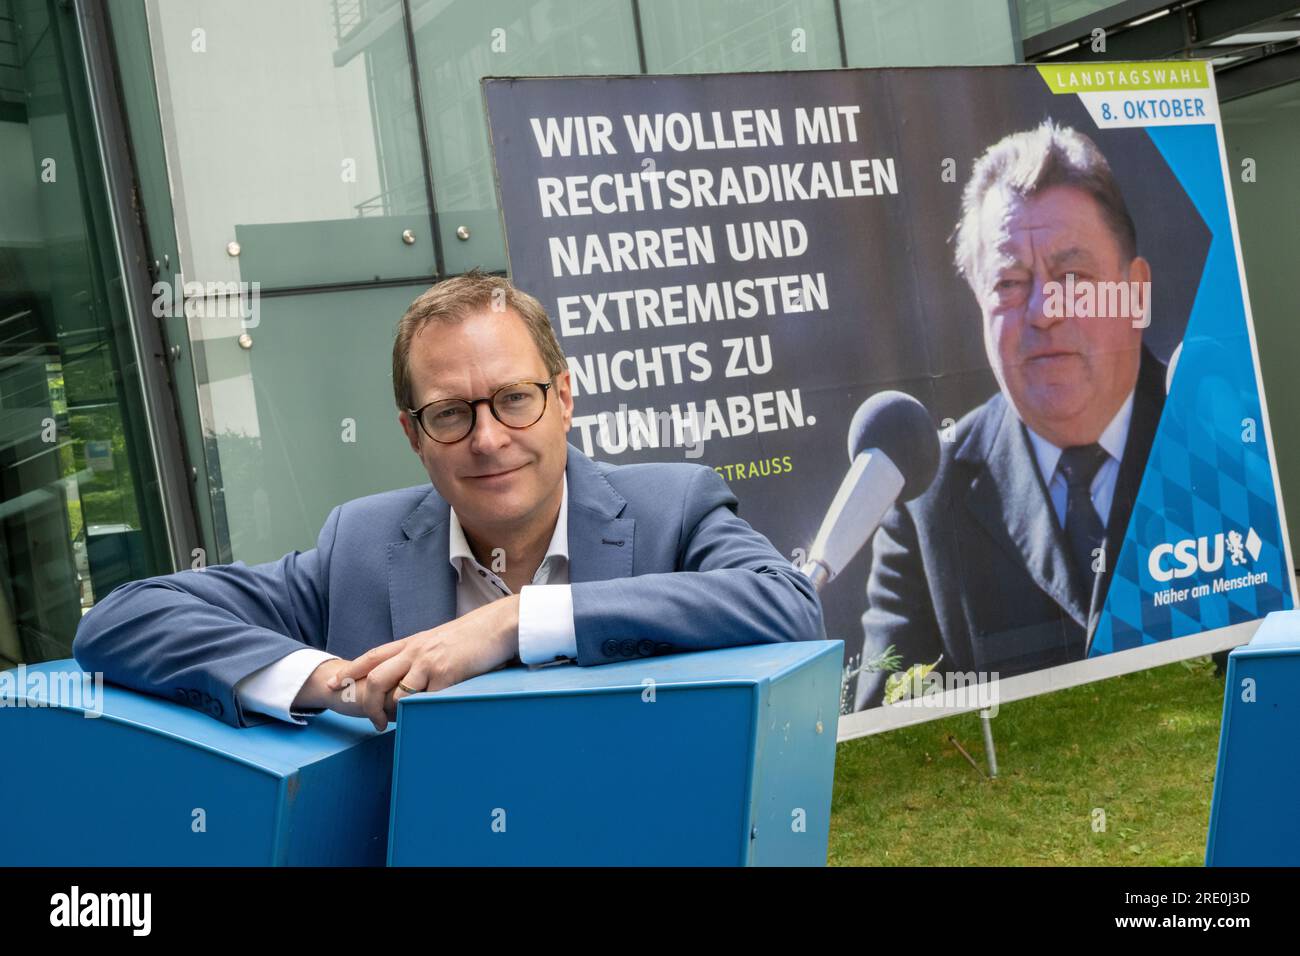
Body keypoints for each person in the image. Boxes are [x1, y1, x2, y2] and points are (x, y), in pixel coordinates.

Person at [74, 271, 824, 730]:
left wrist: (514, 622)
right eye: (451, 413)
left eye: (514, 399)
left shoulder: (673, 506)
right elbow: (121, 620)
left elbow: (788, 607)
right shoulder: (361, 548)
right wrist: (329, 683)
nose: (489, 439)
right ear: (413, 433)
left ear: (564, 397)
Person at [856, 121, 1165, 710]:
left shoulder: (1209, 437)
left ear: (1135, 293)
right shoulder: (925, 499)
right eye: (1009, 284)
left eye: (1073, 278)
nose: (1044, 311)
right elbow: (885, 730)